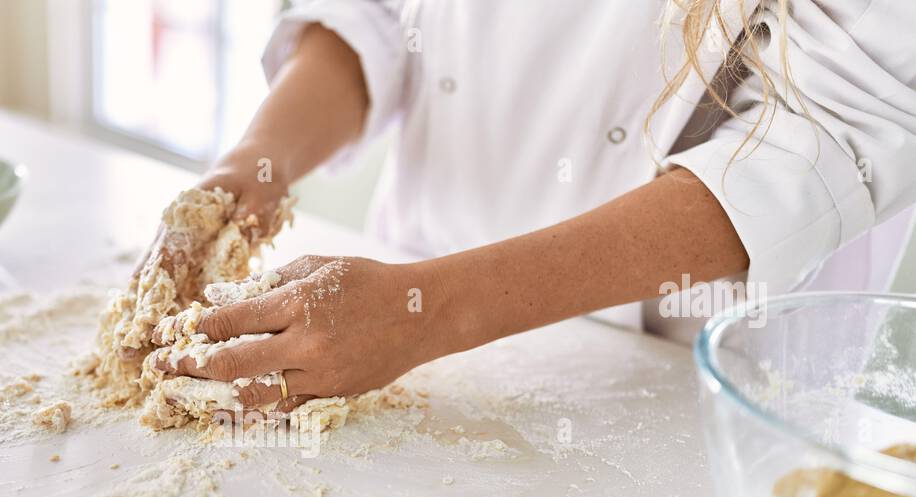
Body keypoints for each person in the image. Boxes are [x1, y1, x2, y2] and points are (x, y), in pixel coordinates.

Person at [149, 0, 916, 413]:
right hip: (383, 308)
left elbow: (815, 145)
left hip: (680, 382)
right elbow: (380, 14)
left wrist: (428, 313)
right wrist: (254, 164)